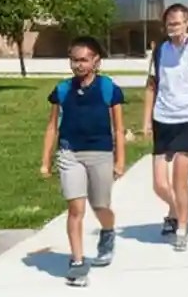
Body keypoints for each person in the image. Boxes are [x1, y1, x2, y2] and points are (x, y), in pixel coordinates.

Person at [40, 37, 125, 287]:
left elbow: (119, 130)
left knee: (100, 206)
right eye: (74, 60)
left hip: (100, 153)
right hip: (70, 154)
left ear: (96, 61)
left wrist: (120, 160)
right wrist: (45, 161)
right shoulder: (63, 90)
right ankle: (77, 262)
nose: (78, 65)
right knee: (76, 209)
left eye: (84, 60)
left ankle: (108, 232)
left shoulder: (108, 88)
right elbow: (51, 127)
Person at [142, 3, 188, 252]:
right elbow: (151, 86)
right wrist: (146, 120)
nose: (174, 27)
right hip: (164, 117)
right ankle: (174, 210)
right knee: (159, 183)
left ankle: (181, 227)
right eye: (169, 23)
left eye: (178, 23)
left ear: (187, 23)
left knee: (179, 179)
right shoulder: (160, 51)